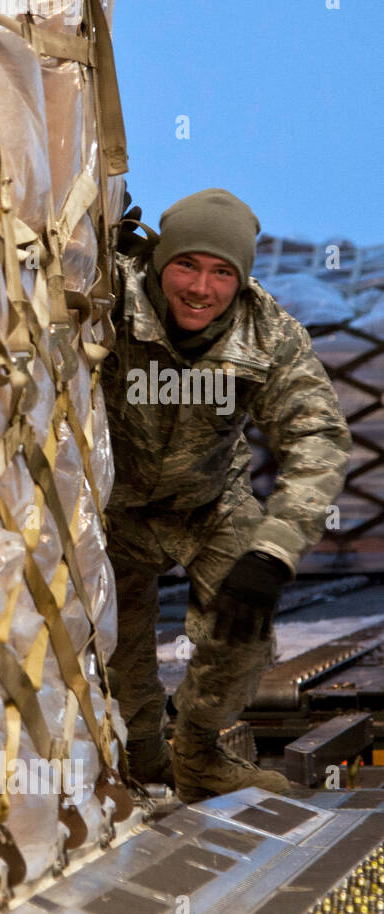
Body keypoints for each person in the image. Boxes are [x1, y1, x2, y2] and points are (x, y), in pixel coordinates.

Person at [103, 188, 351, 803]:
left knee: (246, 619)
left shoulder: (270, 337)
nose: (200, 288)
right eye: (186, 265)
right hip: (112, 504)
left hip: (209, 499)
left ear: (240, 281)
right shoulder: (105, 305)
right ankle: (138, 753)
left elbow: (316, 438)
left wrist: (275, 551)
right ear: (160, 265)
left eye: (221, 272)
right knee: (112, 640)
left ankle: (199, 754)